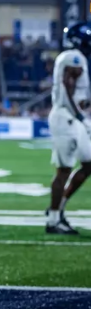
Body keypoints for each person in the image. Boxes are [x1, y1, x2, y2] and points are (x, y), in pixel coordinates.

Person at [46, 22, 91, 234]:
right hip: (67, 118)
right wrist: (78, 114)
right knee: (63, 170)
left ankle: (59, 207)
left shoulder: (76, 57)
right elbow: (67, 86)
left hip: (74, 118)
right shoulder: (74, 57)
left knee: (89, 163)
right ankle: (54, 219)